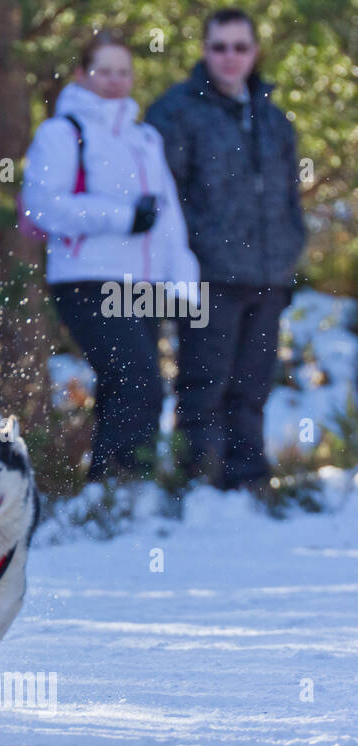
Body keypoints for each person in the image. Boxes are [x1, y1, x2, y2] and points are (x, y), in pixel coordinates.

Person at [22, 31, 199, 481]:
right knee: (137, 381)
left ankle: (119, 486)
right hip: (86, 277)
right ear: (82, 73)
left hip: (144, 282)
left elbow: (168, 214)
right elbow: (42, 204)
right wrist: (120, 217)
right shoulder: (63, 133)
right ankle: (116, 488)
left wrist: (181, 277)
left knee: (133, 384)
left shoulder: (145, 138)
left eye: (124, 71)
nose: (115, 81)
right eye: (104, 70)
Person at [146, 8, 305, 491]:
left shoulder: (273, 119)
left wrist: (292, 249)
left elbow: (289, 194)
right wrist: (188, 254)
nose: (230, 57)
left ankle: (249, 484)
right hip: (207, 275)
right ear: (204, 50)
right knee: (203, 385)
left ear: (255, 52)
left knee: (253, 386)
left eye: (240, 47)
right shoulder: (177, 111)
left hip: (269, 275)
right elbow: (160, 194)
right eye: (220, 47)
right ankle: (199, 486)